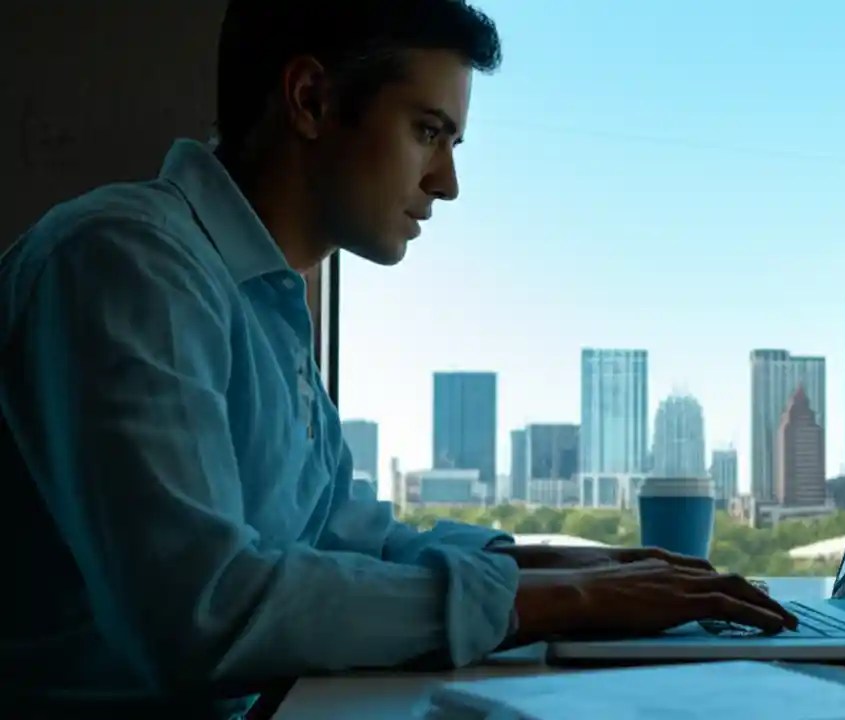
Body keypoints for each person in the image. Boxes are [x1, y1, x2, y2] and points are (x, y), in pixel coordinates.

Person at [0, 1, 797, 716]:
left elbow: (333, 539)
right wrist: (574, 599)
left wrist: (571, 565)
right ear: (311, 100)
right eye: (427, 131)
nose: (446, 183)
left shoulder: (263, 300)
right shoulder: (128, 262)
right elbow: (204, 607)